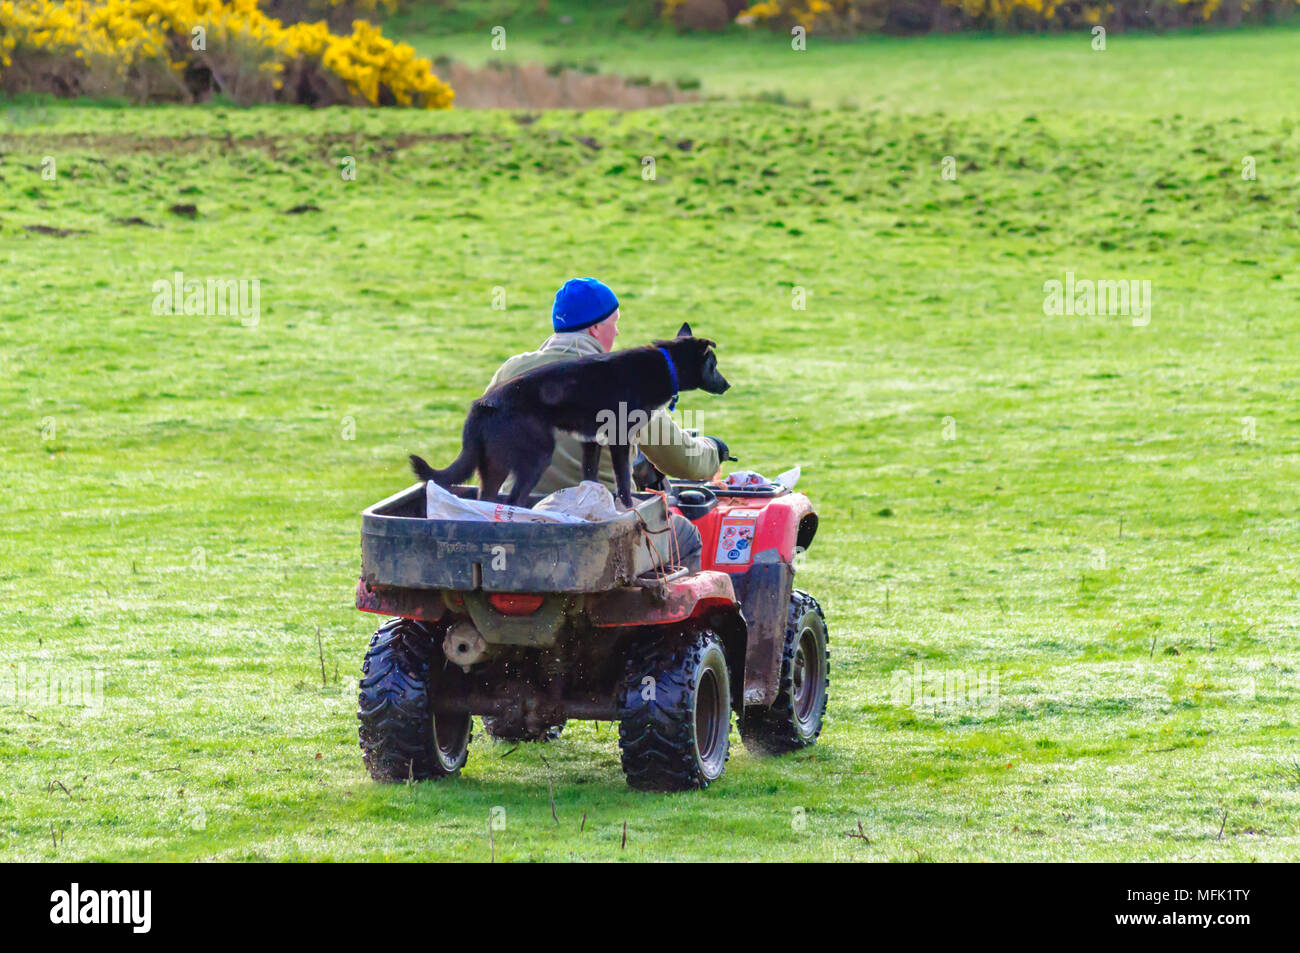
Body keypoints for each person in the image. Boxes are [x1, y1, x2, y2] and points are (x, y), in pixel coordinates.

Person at [485, 277, 729, 571]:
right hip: (594, 526)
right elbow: (684, 461)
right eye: (615, 322)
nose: (617, 331)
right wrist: (714, 449)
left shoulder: (512, 370)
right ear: (595, 328)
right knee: (686, 535)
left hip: (518, 515)